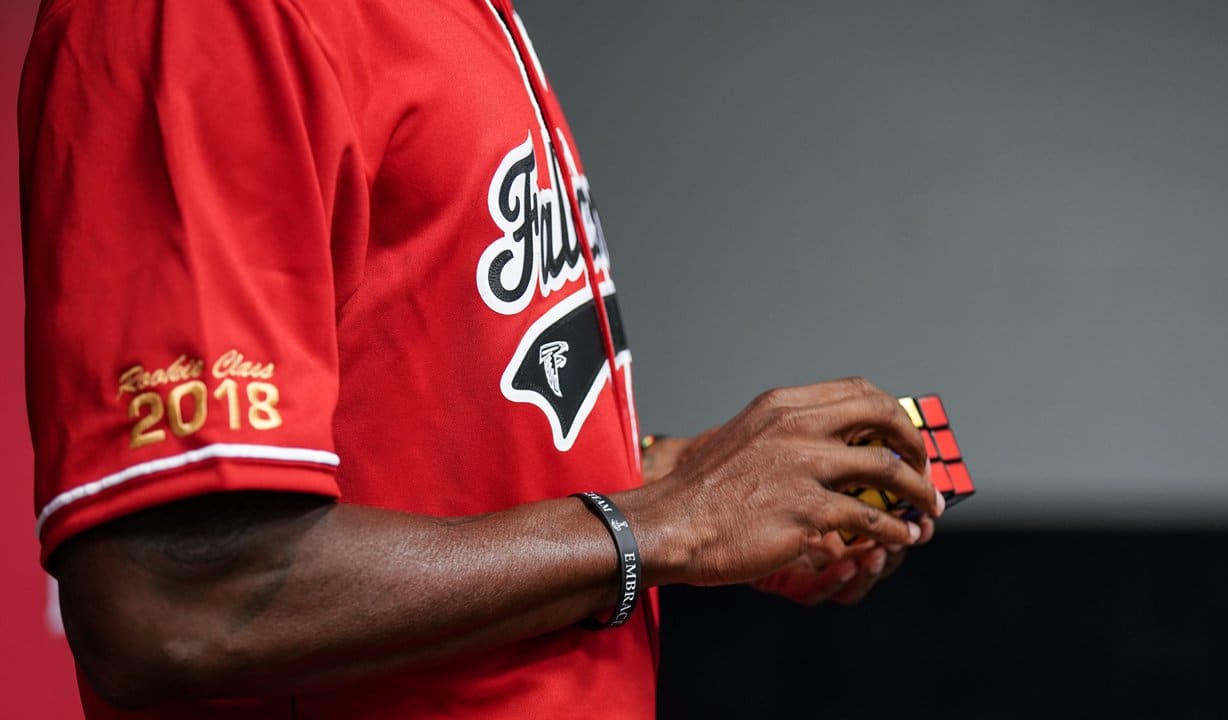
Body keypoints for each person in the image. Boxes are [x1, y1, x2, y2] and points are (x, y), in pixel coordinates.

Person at [18, 0, 944, 717]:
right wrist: (661, 522)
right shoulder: (213, 16)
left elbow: (421, 438)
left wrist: (678, 476)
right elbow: (173, 598)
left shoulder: (464, 16)